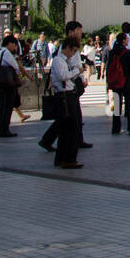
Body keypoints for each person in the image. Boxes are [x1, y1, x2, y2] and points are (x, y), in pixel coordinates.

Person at [40, 21, 93, 152]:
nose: (80, 35)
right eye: (78, 32)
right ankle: (57, 142)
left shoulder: (72, 47)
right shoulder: (66, 49)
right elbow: (68, 69)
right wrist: (79, 76)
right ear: (70, 32)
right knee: (68, 116)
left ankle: (75, 140)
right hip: (68, 86)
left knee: (71, 116)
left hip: (72, 84)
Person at [48, 36, 84, 169]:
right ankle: (68, 158)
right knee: (71, 129)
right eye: (73, 50)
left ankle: (62, 158)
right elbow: (63, 76)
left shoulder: (64, 61)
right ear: (67, 48)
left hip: (68, 94)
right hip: (64, 97)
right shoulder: (59, 60)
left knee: (66, 129)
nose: (73, 54)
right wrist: (77, 71)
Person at [105, 30, 130, 135]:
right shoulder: (127, 52)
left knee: (117, 105)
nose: (128, 40)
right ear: (123, 41)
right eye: (127, 39)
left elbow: (108, 67)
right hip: (127, 82)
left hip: (115, 82)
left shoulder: (112, 52)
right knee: (128, 104)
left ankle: (116, 128)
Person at [0, 35, 23, 137]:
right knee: (7, 106)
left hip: (1, 82)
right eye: (14, 45)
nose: (15, 47)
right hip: (7, 83)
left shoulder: (0, 52)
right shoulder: (6, 53)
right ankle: (4, 129)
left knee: (2, 106)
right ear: (9, 43)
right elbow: (15, 67)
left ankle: (0, 129)